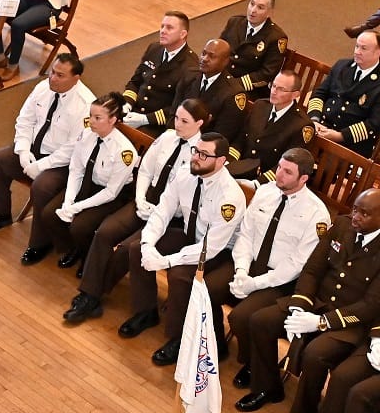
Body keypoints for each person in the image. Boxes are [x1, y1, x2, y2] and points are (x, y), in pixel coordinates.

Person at [234, 189, 380, 413]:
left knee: (315, 354)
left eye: (364, 213)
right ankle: (267, 386)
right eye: (355, 209)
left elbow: (371, 305)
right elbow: (312, 270)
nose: (355, 216)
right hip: (315, 302)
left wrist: (321, 322)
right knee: (261, 321)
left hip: (350, 321)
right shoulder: (342, 226)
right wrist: (299, 307)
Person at [64, 98, 212, 325]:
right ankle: (89, 295)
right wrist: (141, 198)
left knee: (127, 250)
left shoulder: (201, 154)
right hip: (146, 200)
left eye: (184, 121)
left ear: (199, 123)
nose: (178, 125)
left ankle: (103, 299)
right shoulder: (167, 138)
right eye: (176, 118)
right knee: (105, 232)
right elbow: (145, 170)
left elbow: (191, 197)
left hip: (171, 216)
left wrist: (159, 211)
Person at [122, 132, 245, 365]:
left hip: (218, 252)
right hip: (191, 238)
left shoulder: (230, 196)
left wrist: (166, 261)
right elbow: (163, 211)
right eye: (195, 151)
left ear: (221, 161)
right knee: (137, 248)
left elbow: (210, 247)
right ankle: (146, 311)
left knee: (180, 275)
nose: (196, 158)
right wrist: (148, 244)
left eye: (204, 155)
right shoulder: (185, 174)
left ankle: (178, 339)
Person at [0, 54, 95, 242]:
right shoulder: (43, 88)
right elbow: (25, 120)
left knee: (42, 188)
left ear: (76, 78)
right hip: (33, 150)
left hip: (61, 163)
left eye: (60, 75)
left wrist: (42, 165)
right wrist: (22, 150)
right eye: (52, 72)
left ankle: (40, 241)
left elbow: (74, 148)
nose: (53, 78)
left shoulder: (85, 105)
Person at [32, 92, 138, 273]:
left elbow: (111, 192)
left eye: (98, 118)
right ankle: (74, 248)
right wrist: (69, 201)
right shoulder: (86, 134)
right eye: (91, 116)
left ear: (112, 120)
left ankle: (89, 259)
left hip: (112, 195)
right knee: (50, 214)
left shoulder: (124, 152)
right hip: (88, 183)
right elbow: (76, 169)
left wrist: (77, 207)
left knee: (80, 226)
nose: (92, 121)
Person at [227, 69, 313, 184]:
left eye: (281, 89)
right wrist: (229, 163)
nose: (273, 91)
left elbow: (289, 164)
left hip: (268, 180)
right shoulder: (260, 105)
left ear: (295, 95)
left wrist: (258, 183)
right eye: (273, 85)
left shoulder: (301, 125)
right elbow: (241, 139)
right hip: (240, 168)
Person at [308, 31, 380, 156]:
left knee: (324, 171)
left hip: (351, 143)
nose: (357, 51)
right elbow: (319, 94)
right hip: (322, 127)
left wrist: (340, 136)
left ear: (378, 52)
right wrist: (314, 120)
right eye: (357, 46)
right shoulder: (342, 65)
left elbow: (374, 124)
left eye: (364, 48)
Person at [219, 0, 290, 100]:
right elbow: (220, 50)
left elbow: (267, 74)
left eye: (260, 7)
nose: (253, 10)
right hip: (224, 78)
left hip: (249, 89)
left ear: (269, 13)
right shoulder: (234, 22)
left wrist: (234, 84)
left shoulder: (276, 37)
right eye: (252, 4)